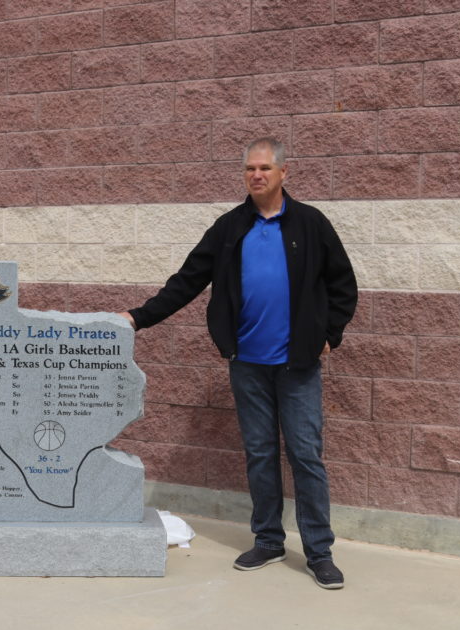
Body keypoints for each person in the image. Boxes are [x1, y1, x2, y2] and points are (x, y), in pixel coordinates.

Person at [119, 137, 357, 589]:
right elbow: (187, 281)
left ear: (284, 172)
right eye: (250, 168)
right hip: (247, 363)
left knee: (305, 456)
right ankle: (268, 540)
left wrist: (330, 335)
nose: (256, 175)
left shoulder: (310, 223)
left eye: (265, 168)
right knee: (260, 454)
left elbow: (343, 283)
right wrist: (137, 317)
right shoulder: (230, 228)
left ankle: (319, 552)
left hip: (297, 365)